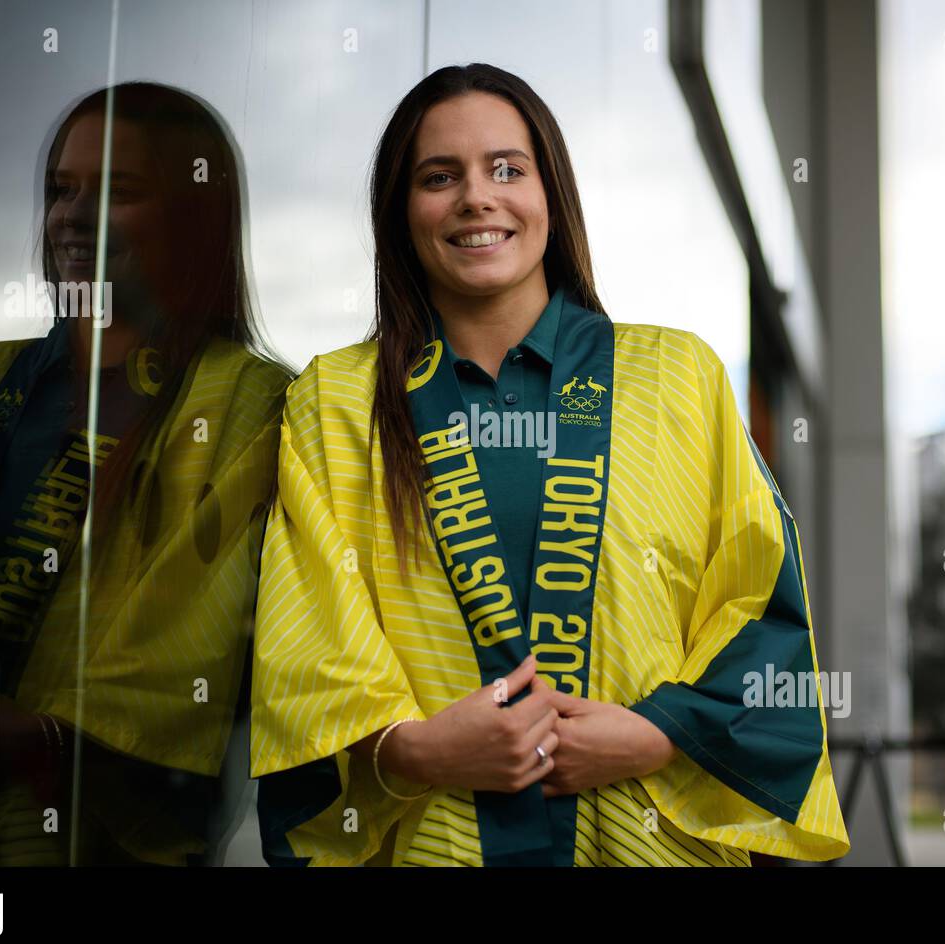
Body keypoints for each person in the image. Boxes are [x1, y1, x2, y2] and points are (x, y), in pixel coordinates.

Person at [251, 63, 849, 866]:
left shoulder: (679, 376)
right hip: (439, 843)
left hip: (645, 840)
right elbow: (307, 640)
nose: (476, 197)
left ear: (551, 194)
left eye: (507, 168)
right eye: (439, 176)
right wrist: (418, 750)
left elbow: (759, 600)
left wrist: (657, 733)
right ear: (401, 211)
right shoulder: (335, 400)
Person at [0, 82, 290, 865]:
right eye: (61, 190)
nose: (72, 216)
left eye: (117, 193)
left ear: (194, 218)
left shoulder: (248, 401)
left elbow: (201, 632)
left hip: (91, 840)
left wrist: (43, 733)